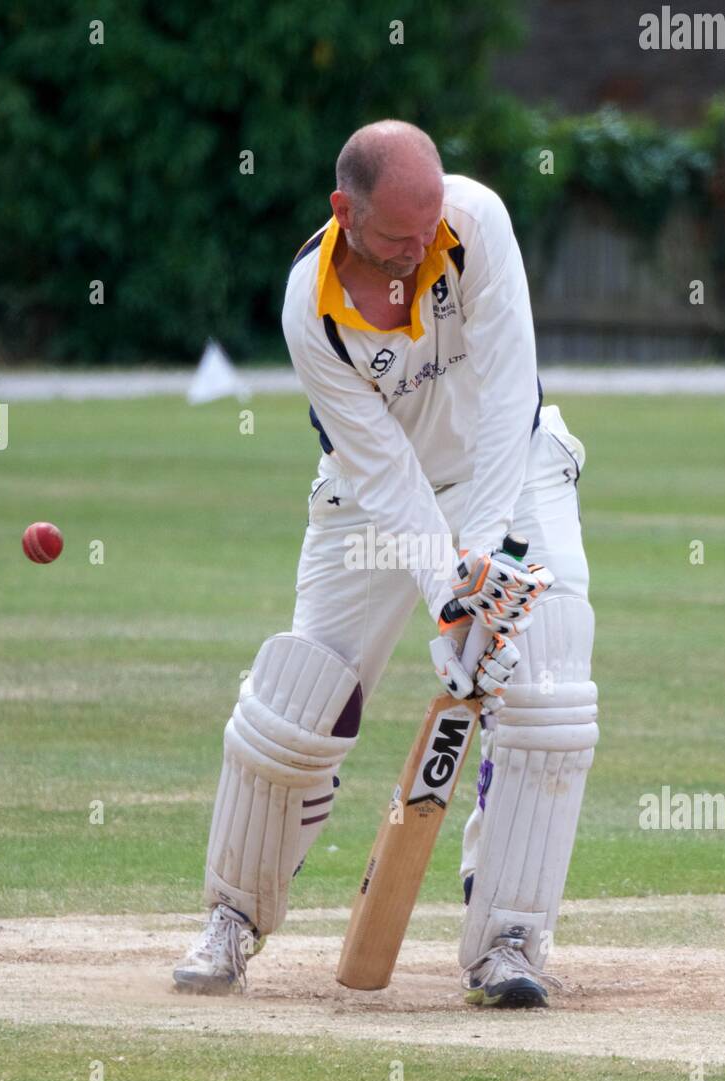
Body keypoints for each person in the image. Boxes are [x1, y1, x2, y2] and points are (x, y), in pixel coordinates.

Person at [173, 119, 598, 1008]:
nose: (420, 249)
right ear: (345, 210)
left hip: (511, 467)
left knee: (550, 680)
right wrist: (451, 594)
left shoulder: (475, 223)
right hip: (374, 498)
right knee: (299, 697)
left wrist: (482, 567)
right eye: (401, 236)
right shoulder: (311, 309)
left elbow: (510, 399)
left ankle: (509, 941)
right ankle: (232, 918)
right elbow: (385, 477)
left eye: (430, 227)